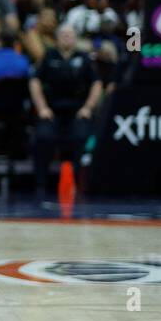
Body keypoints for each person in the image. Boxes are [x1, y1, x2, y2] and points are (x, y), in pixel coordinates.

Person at [29, 24, 101, 195]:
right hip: (52, 112)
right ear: (57, 38)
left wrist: (88, 107)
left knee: (82, 137)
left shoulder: (84, 58)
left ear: (75, 38)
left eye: (70, 35)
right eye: (63, 35)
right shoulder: (49, 56)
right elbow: (34, 82)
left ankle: (81, 184)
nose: (67, 38)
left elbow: (97, 83)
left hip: (77, 112)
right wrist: (42, 108)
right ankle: (40, 184)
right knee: (42, 137)